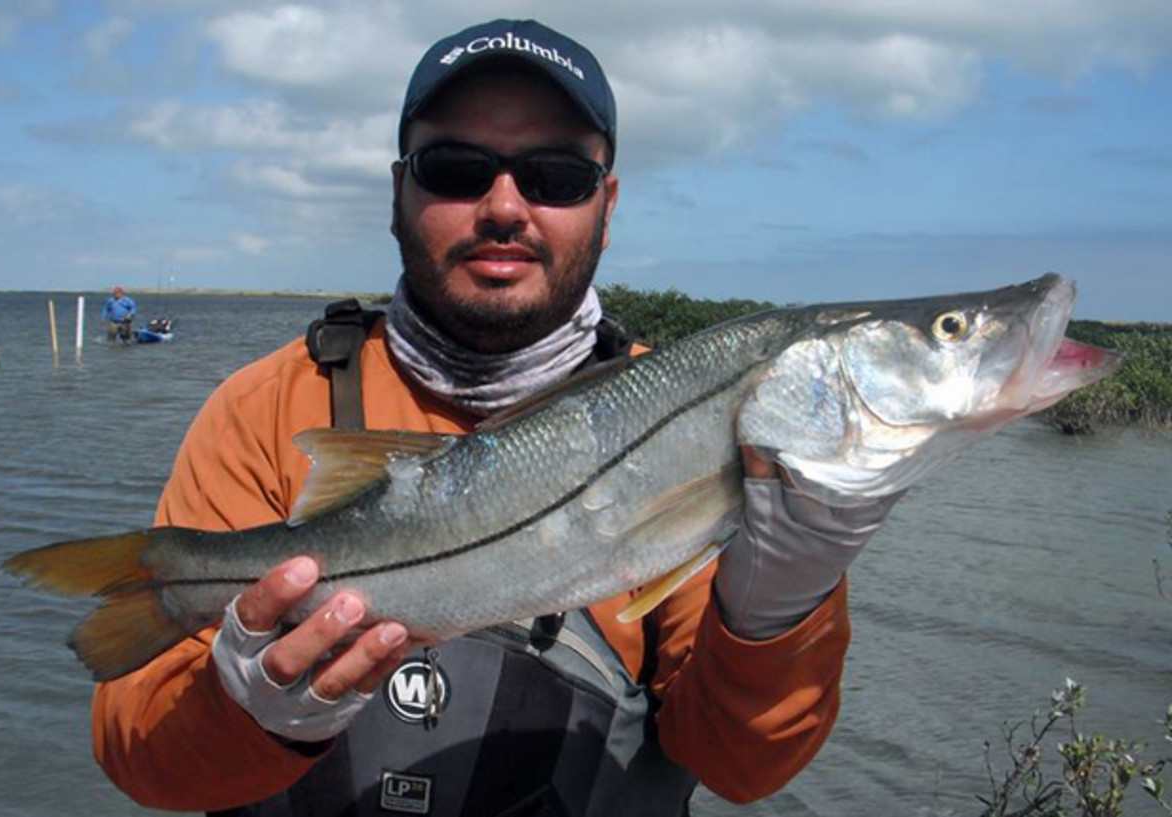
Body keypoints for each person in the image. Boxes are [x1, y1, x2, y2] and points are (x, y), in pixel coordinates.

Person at [92, 19, 902, 816]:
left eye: (555, 176)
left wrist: (779, 612)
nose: (505, 207)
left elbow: (739, 765)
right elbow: (142, 758)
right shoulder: (265, 408)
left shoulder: (693, 424)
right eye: (455, 167)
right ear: (398, 190)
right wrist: (242, 711)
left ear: (607, 207)